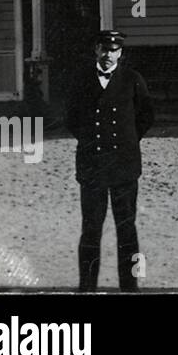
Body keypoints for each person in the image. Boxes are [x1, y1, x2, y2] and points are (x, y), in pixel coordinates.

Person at [64, 29, 155, 292]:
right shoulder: (81, 80)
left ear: (120, 53)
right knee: (91, 229)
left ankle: (129, 286)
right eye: (104, 49)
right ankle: (87, 286)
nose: (108, 55)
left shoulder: (132, 79)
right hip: (92, 166)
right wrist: (92, 141)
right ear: (96, 50)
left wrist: (127, 141)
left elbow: (146, 115)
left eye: (114, 50)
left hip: (124, 166)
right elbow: (71, 117)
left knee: (127, 228)